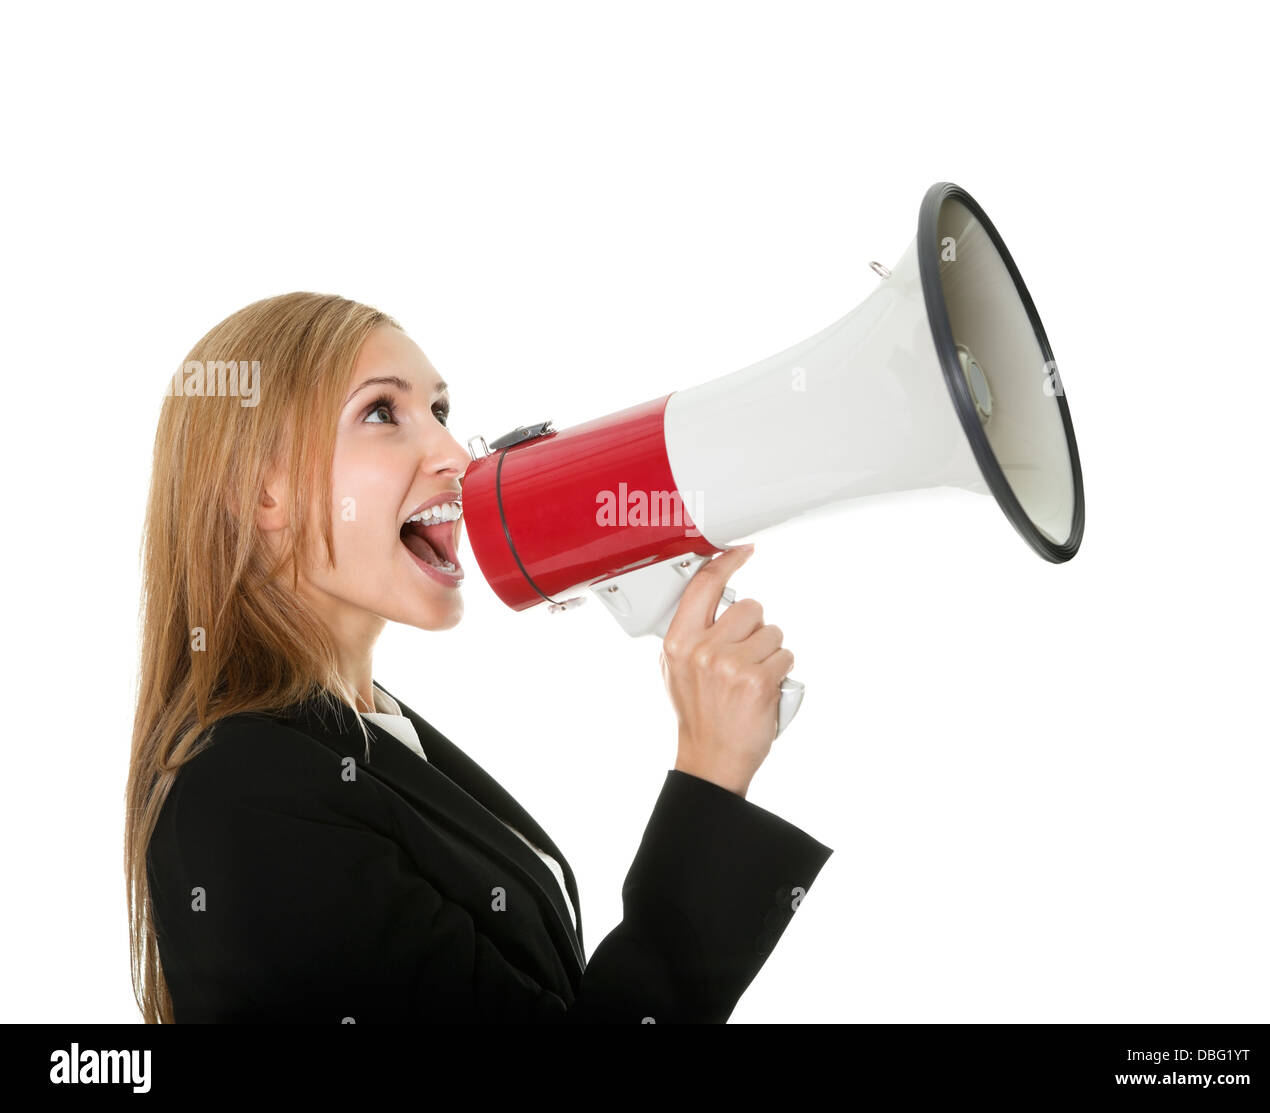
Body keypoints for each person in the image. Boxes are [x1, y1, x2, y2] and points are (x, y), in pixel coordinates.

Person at [125, 292, 833, 1023]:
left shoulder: (368, 735)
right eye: (380, 412)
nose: (456, 457)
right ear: (260, 492)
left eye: (440, 410)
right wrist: (710, 774)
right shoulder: (244, 790)